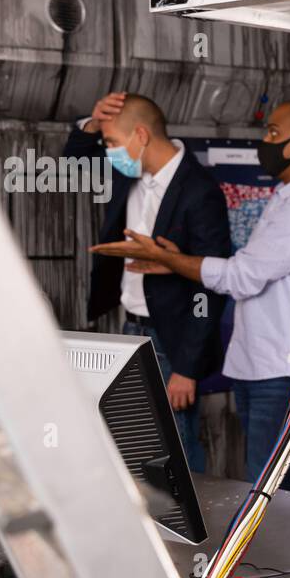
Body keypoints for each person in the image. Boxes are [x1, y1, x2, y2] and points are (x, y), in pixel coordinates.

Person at [92, 101, 290, 490]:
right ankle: (272, 548)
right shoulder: (288, 198)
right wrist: (175, 261)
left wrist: (168, 260)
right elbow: (244, 269)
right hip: (256, 365)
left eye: (274, 133)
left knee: (268, 485)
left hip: (280, 368)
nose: (265, 141)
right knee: (272, 481)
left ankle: (272, 550)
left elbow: (242, 275)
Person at [71, 91, 231, 473]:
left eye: (110, 142)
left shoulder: (200, 191)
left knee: (173, 445)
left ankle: (193, 530)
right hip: (130, 329)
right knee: (131, 442)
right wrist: (92, 123)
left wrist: (187, 367)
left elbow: (210, 285)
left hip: (171, 341)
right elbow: (74, 163)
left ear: (140, 135)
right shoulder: (129, 173)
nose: (108, 151)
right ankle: (148, 527)